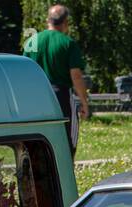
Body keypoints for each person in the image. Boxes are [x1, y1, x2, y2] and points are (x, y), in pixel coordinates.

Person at [23, 5, 90, 156]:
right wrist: (84, 102)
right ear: (66, 22)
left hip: (36, 96)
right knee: (67, 140)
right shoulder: (68, 43)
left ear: (48, 20)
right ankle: (66, 174)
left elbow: (24, 72)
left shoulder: (32, 41)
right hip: (61, 96)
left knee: (37, 138)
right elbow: (76, 76)